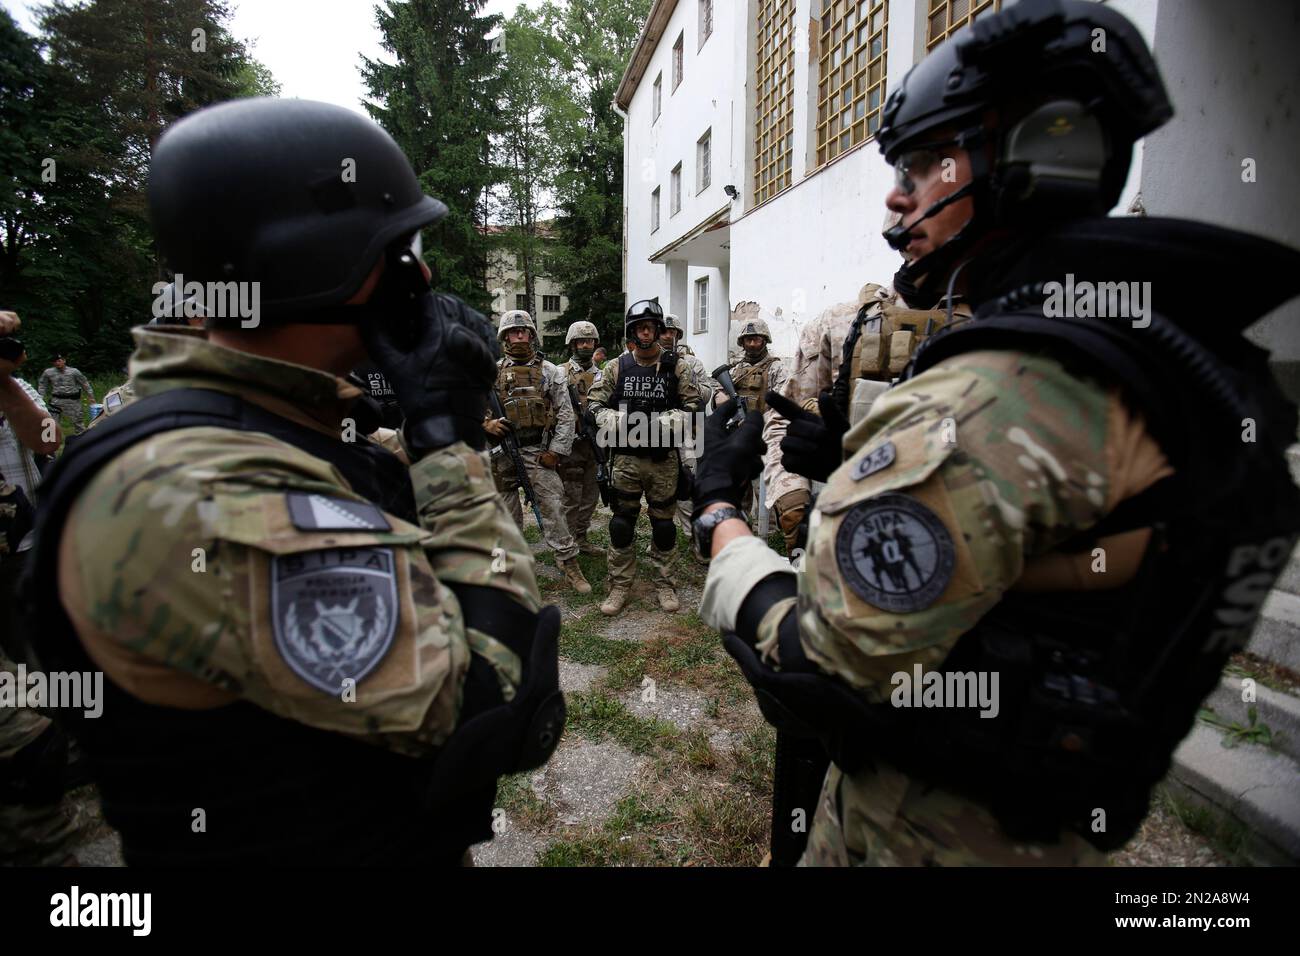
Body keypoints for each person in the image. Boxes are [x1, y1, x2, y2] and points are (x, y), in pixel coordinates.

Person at [692, 0, 1300, 866]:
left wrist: (723, 518)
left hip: (927, 832)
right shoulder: (1138, 347)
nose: (896, 194)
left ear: (1029, 160)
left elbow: (819, 663)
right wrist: (858, 448)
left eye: (924, 163)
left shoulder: (993, 393)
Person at [25, 97, 565, 866]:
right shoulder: (201, 488)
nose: (423, 273)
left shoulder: (272, 428)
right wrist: (448, 444)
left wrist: (426, 428)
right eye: (399, 250)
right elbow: (487, 702)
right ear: (318, 264)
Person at [0, 310, 80, 865]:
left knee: (35, 656)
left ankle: (52, 752)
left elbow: (48, 440)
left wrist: (5, 385)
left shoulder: (18, 387)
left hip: (21, 546)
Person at [587, 300, 701, 615]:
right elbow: (593, 406)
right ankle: (619, 585)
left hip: (663, 460)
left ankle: (665, 583)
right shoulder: (616, 367)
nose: (646, 332)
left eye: (650, 327)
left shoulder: (678, 367)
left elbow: (694, 406)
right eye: (640, 328)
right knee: (621, 524)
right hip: (626, 459)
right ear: (633, 332)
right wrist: (620, 422)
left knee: (664, 526)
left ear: (659, 330)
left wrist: (662, 423)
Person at [484, 310, 592, 594]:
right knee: (503, 515)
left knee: (554, 507)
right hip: (501, 453)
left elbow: (566, 415)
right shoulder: (491, 372)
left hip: (537, 451)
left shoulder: (550, 371)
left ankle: (568, 562)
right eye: (513, 331)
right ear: (505, 337)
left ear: (531, 335)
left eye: (523, 331)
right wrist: (487, 424)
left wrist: (556, 451)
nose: (519, 335)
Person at [713, 317, 788, 528]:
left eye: (757, 339)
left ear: (765, 340)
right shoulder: (734, 370)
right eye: (748, 340)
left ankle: (768, 530)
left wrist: (759, 421)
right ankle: (740, 526)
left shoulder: (777, 368)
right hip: (737, 435)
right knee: (739, 484)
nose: (753, 344)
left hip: (765, 436)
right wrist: (719, 398)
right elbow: (717, 394)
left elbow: (783, 400)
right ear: (742, 342)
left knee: (765, 485)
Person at [659, 314, 713, 545]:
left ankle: (694, 538)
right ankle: (660, 536)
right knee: (658, 485)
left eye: (673, 332)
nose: (668, 335)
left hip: (687, 430)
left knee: (688, 482)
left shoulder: (692, 363)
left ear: (678, 335)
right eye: (664, 331)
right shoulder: (646, 359)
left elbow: (706, 394)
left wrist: (684, 376)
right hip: (655, 430)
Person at [556, 321, 604, 557]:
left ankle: (581, 538)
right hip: (570, 445)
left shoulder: (603, 375)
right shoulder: (559, 372)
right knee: (570, 496)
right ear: (572, 344)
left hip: (596, 444)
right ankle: (567, 541)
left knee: (591, 495)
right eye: (581, 341)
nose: (586, 345)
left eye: (589, 341)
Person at [37, 355, 94, 437]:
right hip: (56, 401)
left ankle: (82, 439)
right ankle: (50, 441)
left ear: (64, 361)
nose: (57, 363)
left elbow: (84, 383)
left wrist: (91, 396)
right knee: (51, 422)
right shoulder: (48, 372)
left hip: (72, 400)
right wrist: (40, 397)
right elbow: (42, 384)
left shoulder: (74, 372)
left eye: (59, 361)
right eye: (55, 361)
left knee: (78, 422)